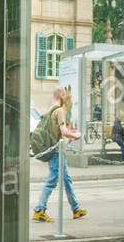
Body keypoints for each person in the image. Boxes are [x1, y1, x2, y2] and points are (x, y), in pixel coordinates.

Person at [32, 86, 87, 221]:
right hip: (56, 153)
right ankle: (39, 209)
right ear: (61, 95)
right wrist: (77, 135)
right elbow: (64, 132)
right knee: (52, 181)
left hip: (56, 151)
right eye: (65, 95)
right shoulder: (60, 111)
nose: (67, 97)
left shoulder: (50, 110)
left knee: (67, 181)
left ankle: (76, 208)